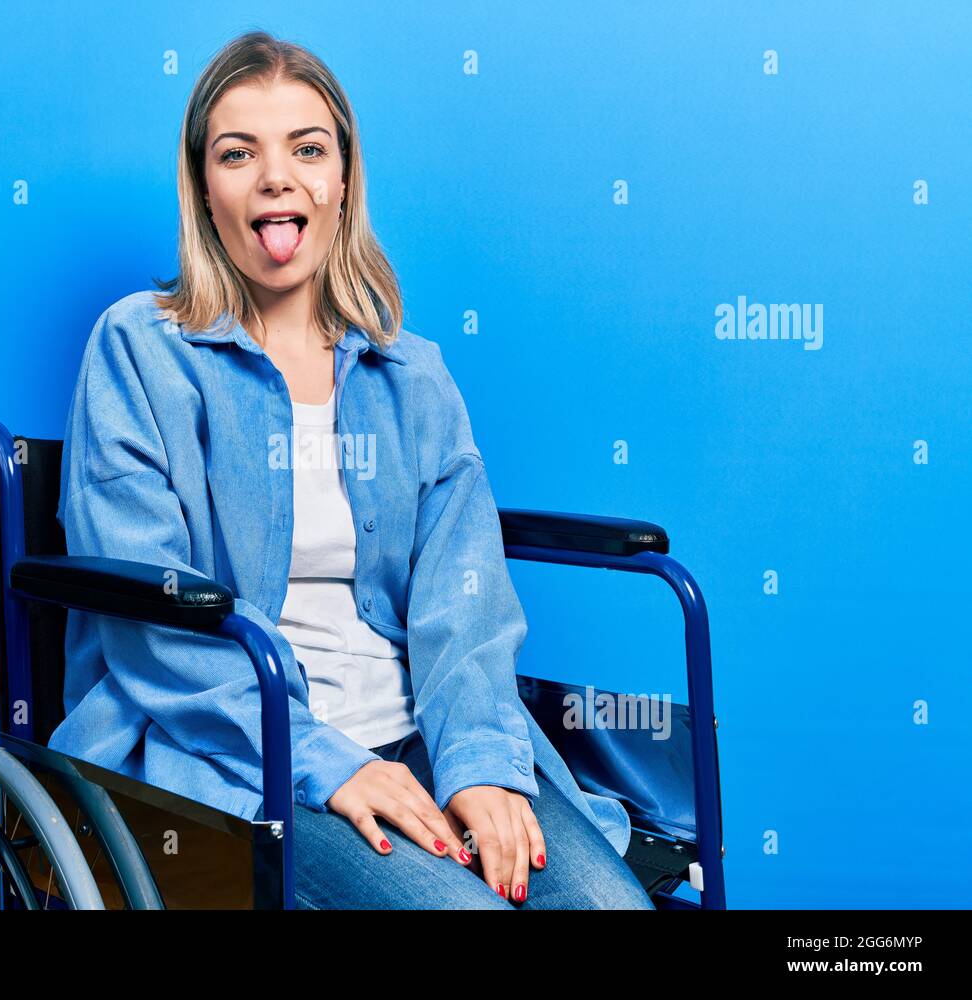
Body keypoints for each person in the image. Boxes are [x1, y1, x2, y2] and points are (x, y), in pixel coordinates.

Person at [48, 29, 653, 910]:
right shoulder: (140, 350)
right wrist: (325, 762)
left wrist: (480, 767)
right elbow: (157, 632)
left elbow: (466, 605)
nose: (275, 177)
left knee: (612, 908)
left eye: (306, 148)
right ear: (204, 189)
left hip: (419, 738)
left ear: (340, 183)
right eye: (237, 152)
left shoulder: (413, 376)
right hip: (234, 756)